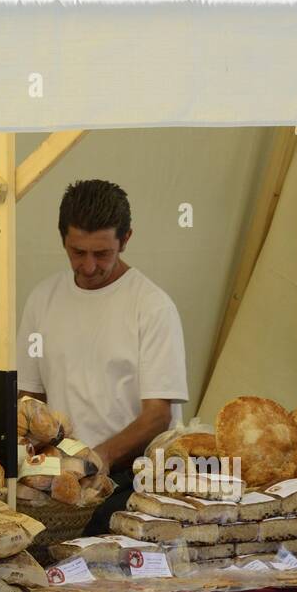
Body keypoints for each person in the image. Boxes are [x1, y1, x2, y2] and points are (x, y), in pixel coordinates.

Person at [17, 179, 189, 535]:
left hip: (133, 481)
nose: (90, 266)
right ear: (63, 238)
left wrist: (96, 461)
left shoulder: (152, 307)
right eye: (78, 252)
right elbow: (29, 399)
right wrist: (34, 460)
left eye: (102, 254)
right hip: (58, 483)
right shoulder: (42, 299)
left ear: (126, 240)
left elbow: (158, 414)